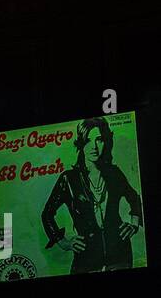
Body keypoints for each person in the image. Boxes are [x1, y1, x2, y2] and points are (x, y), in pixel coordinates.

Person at [41, 116, 143, 273]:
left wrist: (134, 224)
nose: (94, 146)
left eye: (99, 140)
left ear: (105, 142)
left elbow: (134, 197)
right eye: (88, 140)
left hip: (120, 256)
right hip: (86, 260)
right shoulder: (69, 179)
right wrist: (64, 243)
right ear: (81, 143)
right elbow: (47, 214)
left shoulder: (114, 173)